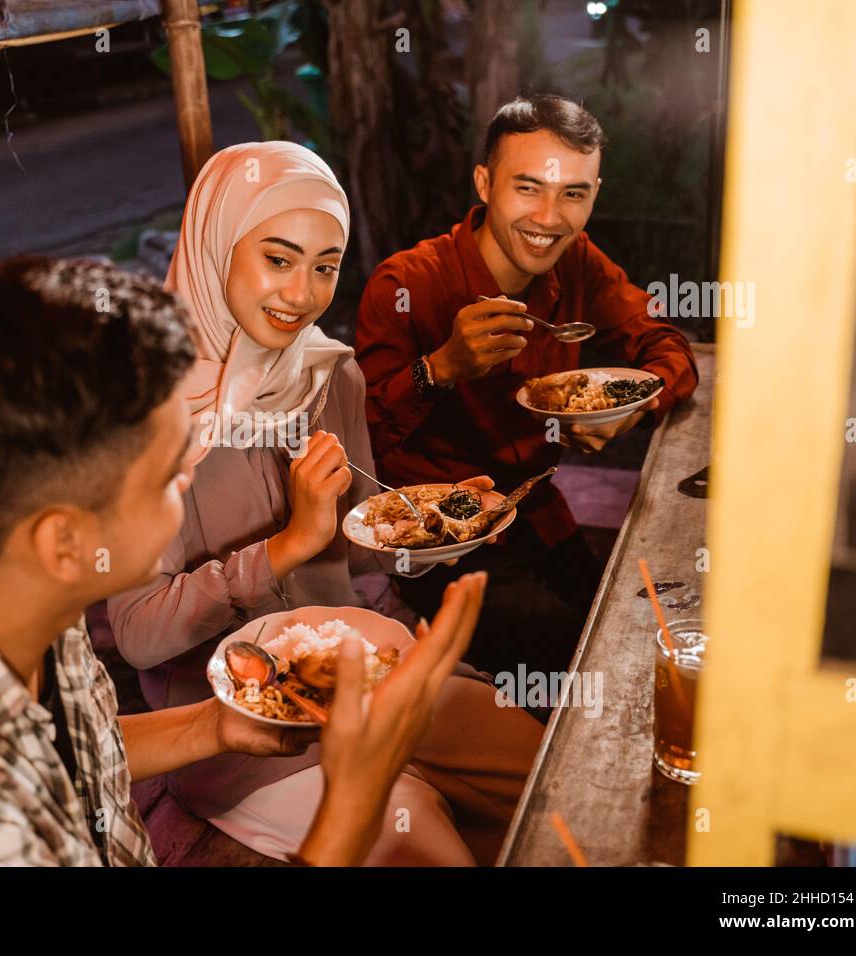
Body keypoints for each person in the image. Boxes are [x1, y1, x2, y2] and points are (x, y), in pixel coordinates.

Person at [0, 255, 489, 867]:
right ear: (64, 538)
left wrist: (219, 727)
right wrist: (352, 803)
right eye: (173, 474)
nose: (191, 483)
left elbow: (68, 744)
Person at [108, 141, 543, 866]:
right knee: (426, 844)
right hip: (250, 726)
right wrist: (286, 545)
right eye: (277, 259)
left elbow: (361, 545)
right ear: (216, 248)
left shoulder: (326, 372)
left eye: (325, 266)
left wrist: (433, 524)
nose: (303, 294)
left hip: (373, 670)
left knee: (555, 783)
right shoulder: (138, 409)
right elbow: (139, 637)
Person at [356, 95, 699, 688]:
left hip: (540, 514)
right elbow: (362, 439)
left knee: (647, 628)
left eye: (574, 193)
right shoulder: (407, 283)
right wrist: (439, 367)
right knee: (593, 665)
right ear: (485, 183)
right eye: (529, 187)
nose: (549, 218)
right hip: (439, 546)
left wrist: (631, 413)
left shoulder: (578, 263)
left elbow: (666, 343)